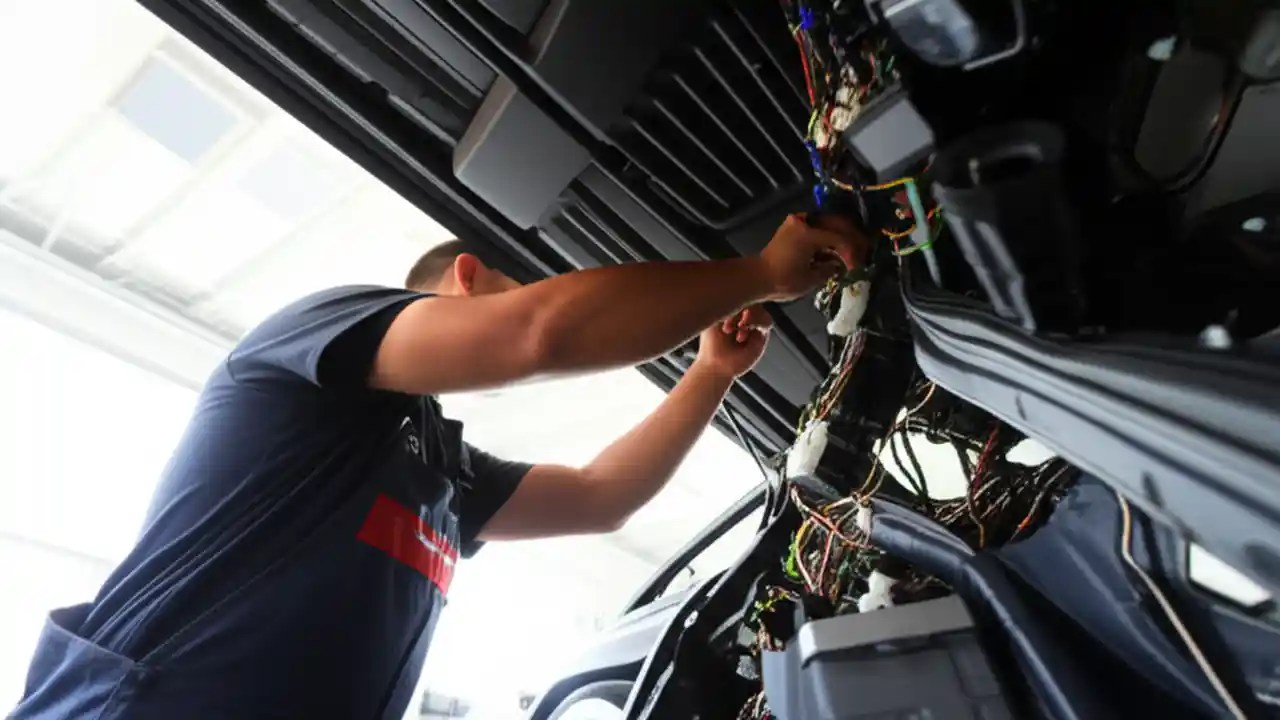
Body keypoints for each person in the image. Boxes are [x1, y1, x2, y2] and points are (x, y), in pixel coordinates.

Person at [11, 214, 862, 719]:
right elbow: (537, 334)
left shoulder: (443, 469)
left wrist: (712, 374)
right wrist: (757, 274)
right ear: (465, 277)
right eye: (513, 286)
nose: (523, 305)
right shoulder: (317, 336)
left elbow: (603, 498)